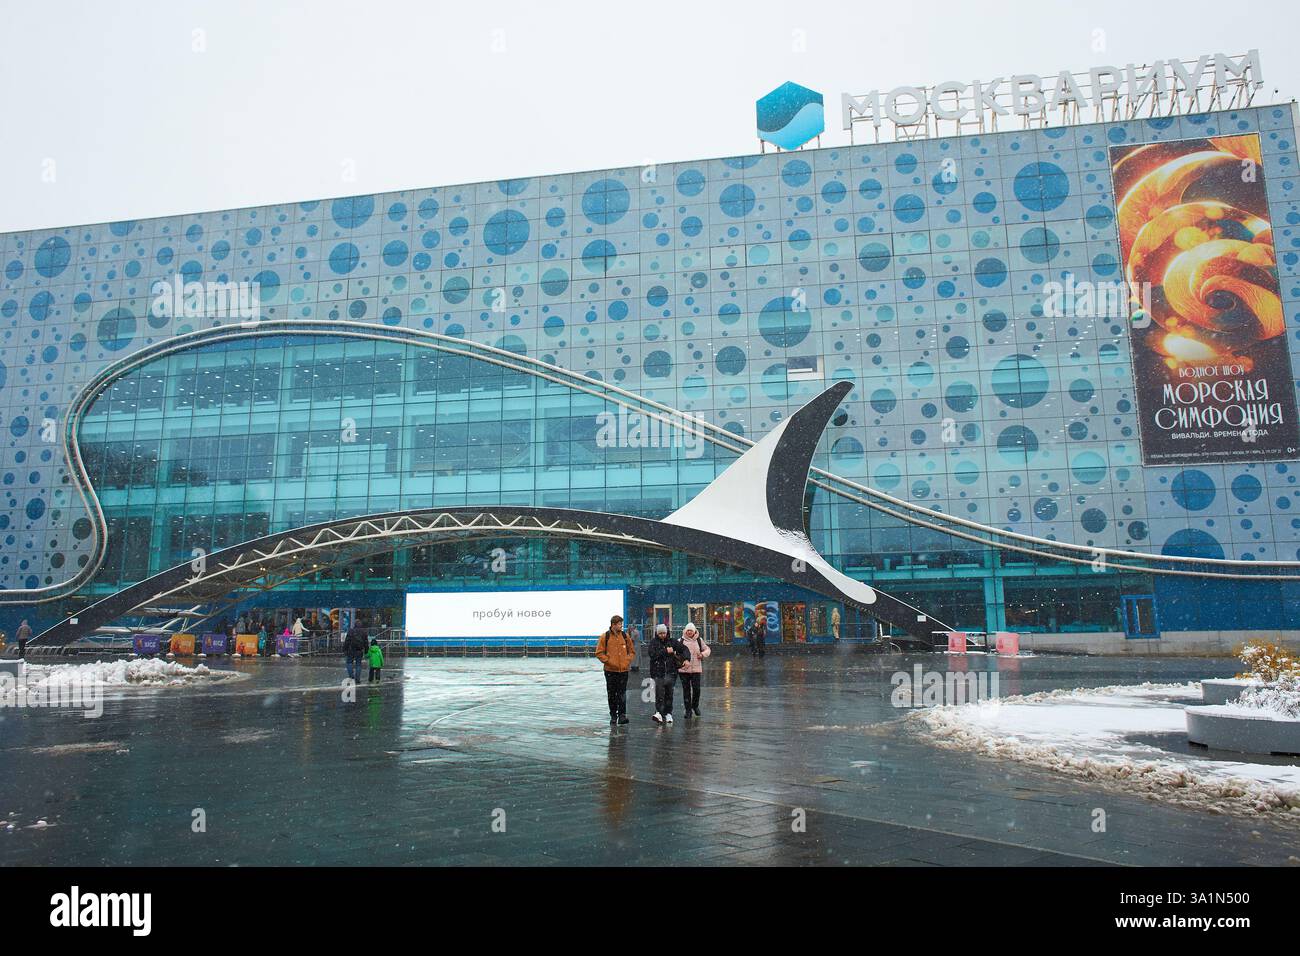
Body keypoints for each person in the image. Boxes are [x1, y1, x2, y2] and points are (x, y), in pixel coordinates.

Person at [594, 614, 635, 726]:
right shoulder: (605, 637)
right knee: (612, 694)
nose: (621, 626)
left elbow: (632, 651)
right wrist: (608, 661)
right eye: (619, 624)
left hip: (623, 671)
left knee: (622, 693)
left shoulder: (625, 636)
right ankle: (613, 715)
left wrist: (627, 661)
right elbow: (599, 652)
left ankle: (622, 715)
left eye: (621, 624)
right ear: (613, 625)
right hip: (610, 671)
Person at [647, 623, 689, 725]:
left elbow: (684, 649)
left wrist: (687, 659)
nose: (662, 635)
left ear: (667, 632)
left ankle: (668, 713)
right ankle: (659, 713)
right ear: (657, 633)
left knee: (669, 694)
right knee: (659, 694)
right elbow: (652, 655)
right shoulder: (653, 642)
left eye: (664, 633)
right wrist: (665, 651)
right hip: (658, 672)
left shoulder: (673, 642)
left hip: (671, 672)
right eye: (660, 633)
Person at [677, 621, 710, 718]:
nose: (689, 632)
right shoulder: (680, 641)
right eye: (687, 631)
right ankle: (688, 710)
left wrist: (702, 654)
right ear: (685, 631)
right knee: (686, 690)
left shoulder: (699, 640)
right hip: (684, 670)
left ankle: (695, 706)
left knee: (696, 689)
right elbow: (676, 653)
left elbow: (707, 649)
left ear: (694, 631)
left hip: (696, 669)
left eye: (691, 630)